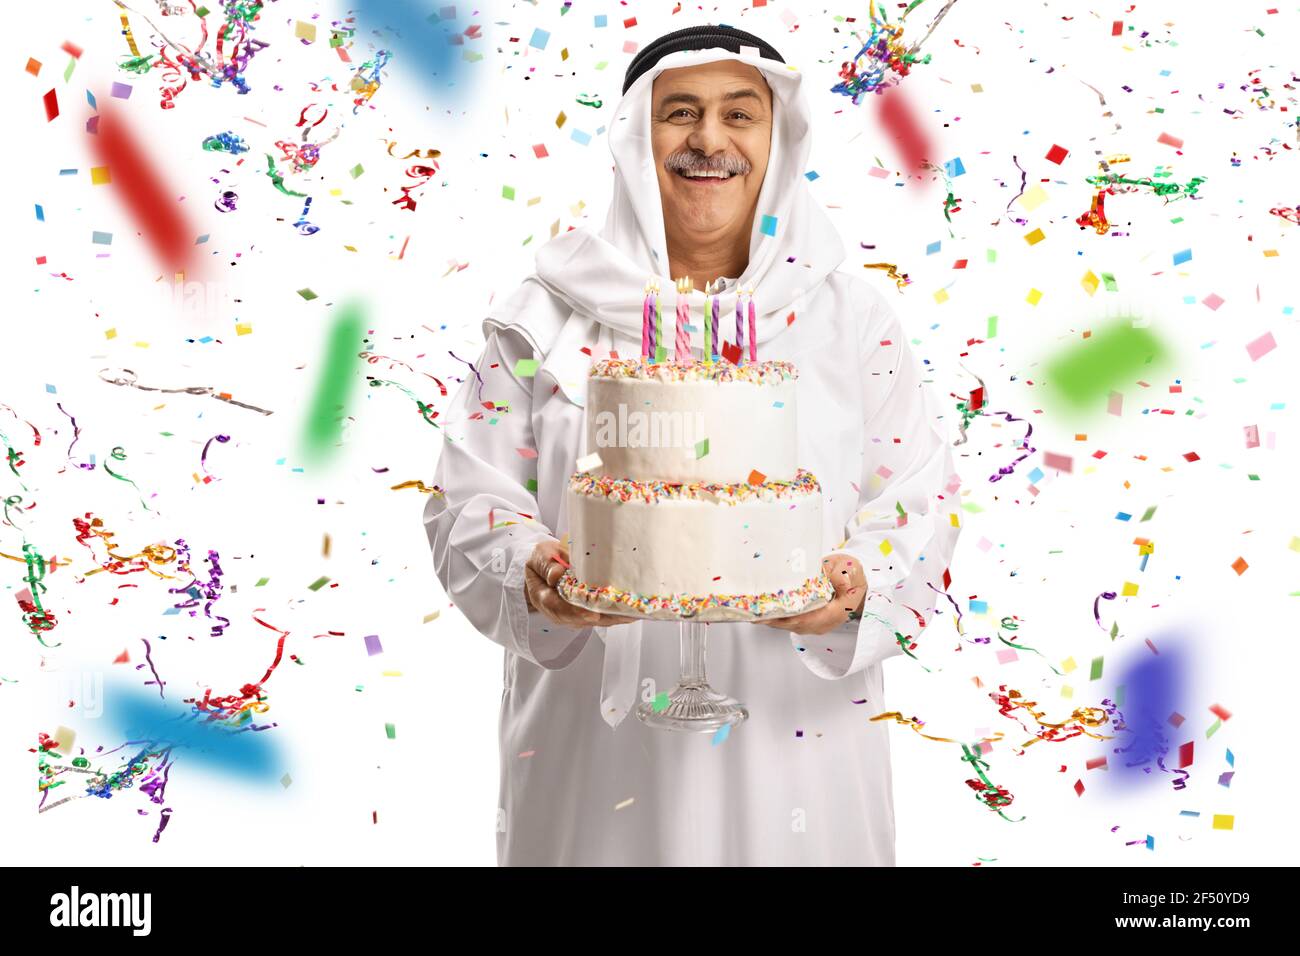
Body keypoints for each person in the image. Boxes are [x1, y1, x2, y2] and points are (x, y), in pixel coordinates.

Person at [424, 24, 961, 866]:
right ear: (636, 139)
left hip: (797, 749)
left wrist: (858, 589)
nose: (709, 140)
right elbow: (467, 502)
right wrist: (532, 575)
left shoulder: (849, 319)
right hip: (591, 761)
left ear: (778, 141)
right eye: (681, 113)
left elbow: (919, 502)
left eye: (739, 115)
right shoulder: (542, 316)